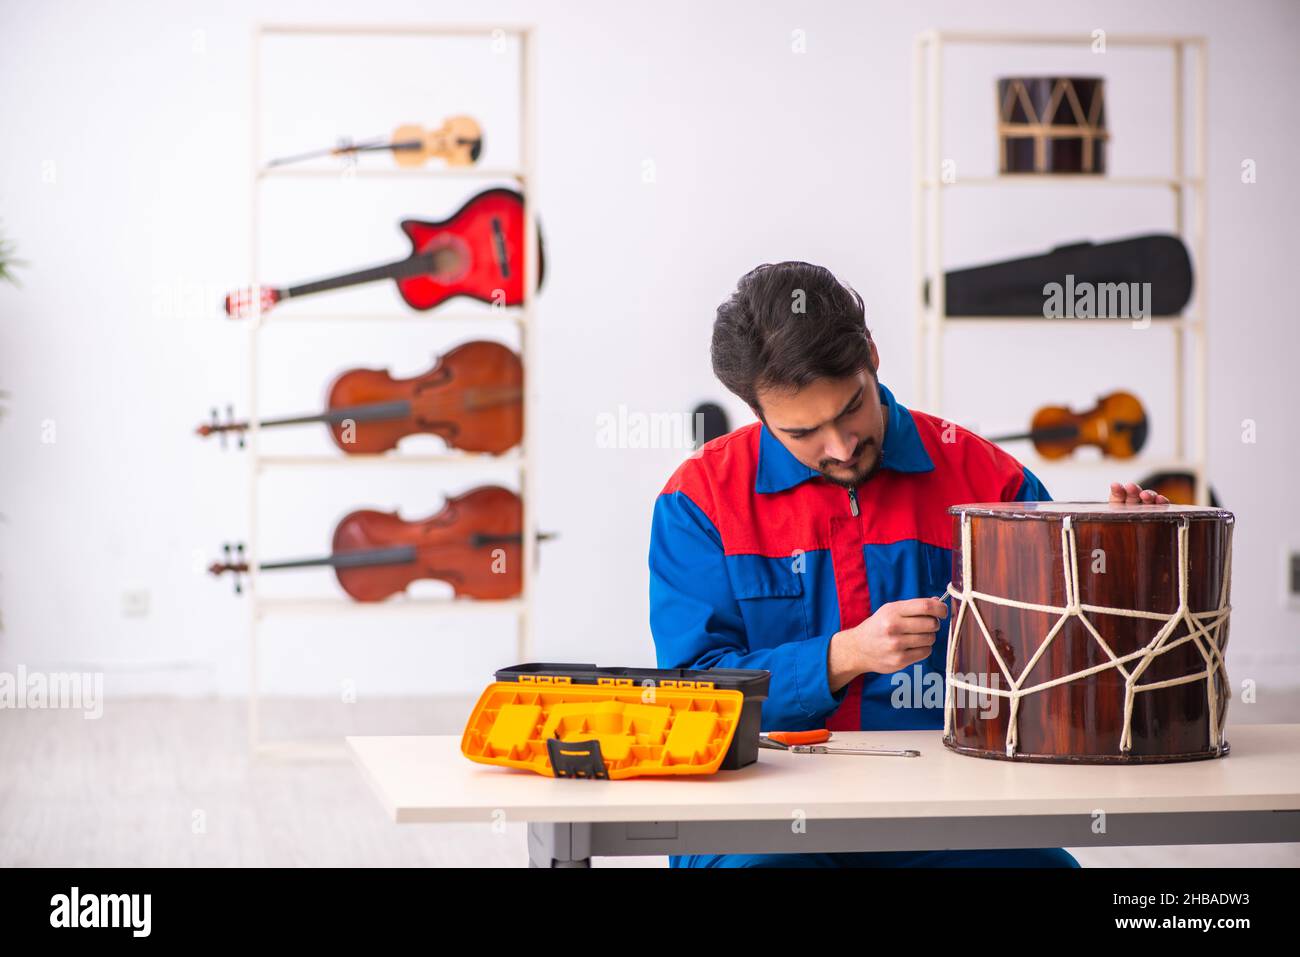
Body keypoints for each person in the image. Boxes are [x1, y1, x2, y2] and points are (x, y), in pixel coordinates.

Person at [648, 262, 1168, 868]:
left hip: (952, 814)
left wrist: (1123, 555)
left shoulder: (989, 481)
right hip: (759, 818)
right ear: (757, 413)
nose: (840, 447)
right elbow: (693, 697)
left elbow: (1072, 664)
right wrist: (842, 657)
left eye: (850, 410)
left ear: (871, 355)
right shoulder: (699, 502)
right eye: (804, 432)